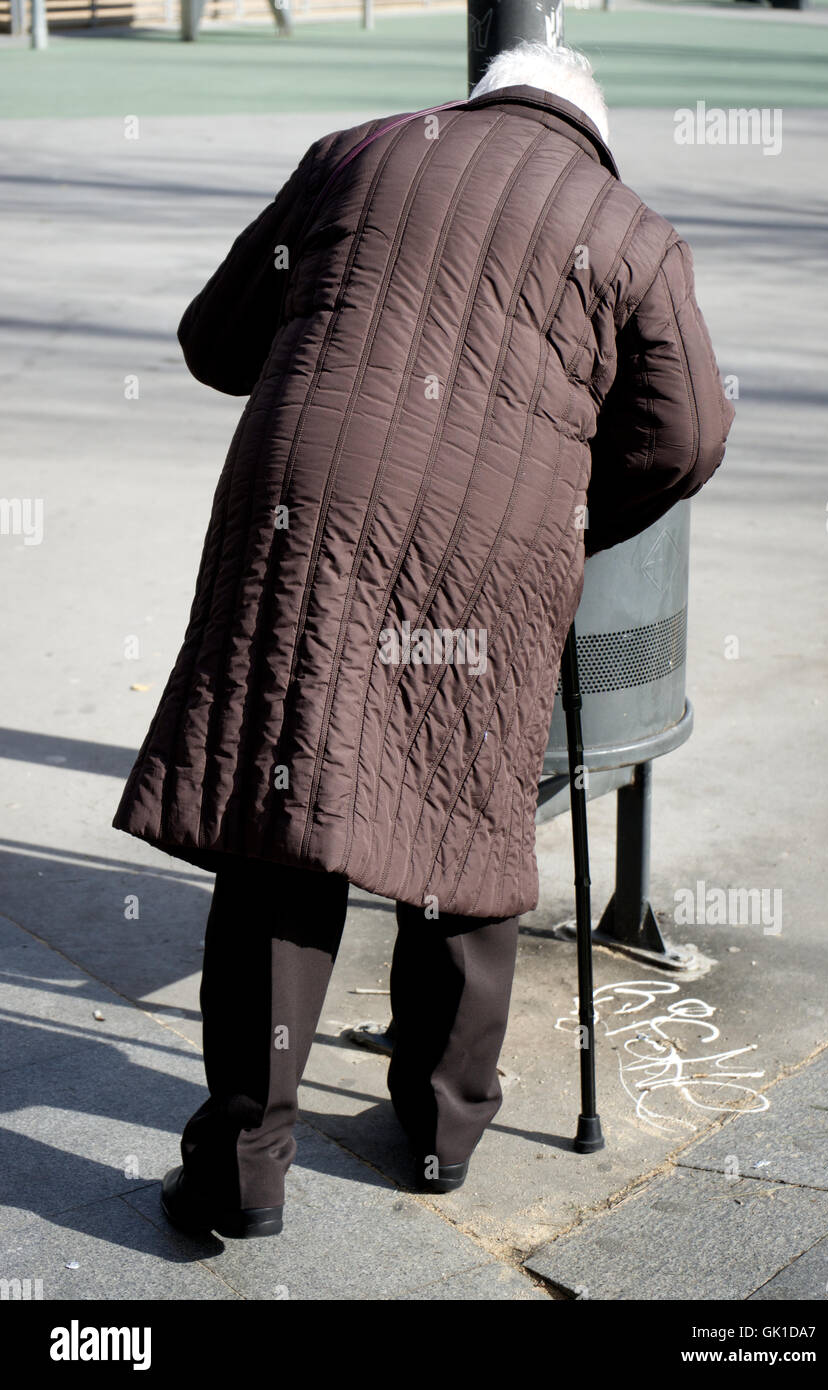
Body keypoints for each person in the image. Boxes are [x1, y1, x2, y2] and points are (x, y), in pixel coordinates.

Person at [112, 40, 734, 1239]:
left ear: (484, 91)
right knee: (458, 806)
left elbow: (215, 339)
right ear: (590, 133)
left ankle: (246, 1161)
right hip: (493, 546)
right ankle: (443, 1133)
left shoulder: (357, 153)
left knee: (282, 823)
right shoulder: (629, 230)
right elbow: (688, 436)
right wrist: (569, 493)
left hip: (303, 514)